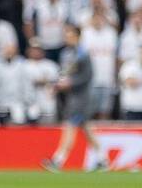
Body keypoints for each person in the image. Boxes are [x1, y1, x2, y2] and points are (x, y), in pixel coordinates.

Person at [42, 23, 109, 172]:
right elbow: (64, 73)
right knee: (86, 129)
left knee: (70, 126)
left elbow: (87, 76)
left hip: (81, 97)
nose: (67, 37)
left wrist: (69, 83)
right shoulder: (68, 54)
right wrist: (58, 84)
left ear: (77, 36)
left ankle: (58, 160)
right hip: (72, 97)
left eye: (70, 34)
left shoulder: (83, 54)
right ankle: (102, 159)